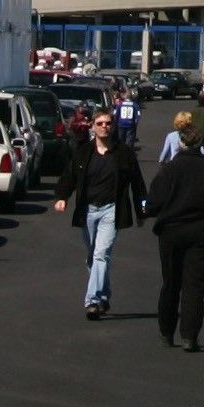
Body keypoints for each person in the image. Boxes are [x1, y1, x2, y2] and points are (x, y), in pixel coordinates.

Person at [53, 112, 148, 319]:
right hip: (88, 211)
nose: (104, 126)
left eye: (108, 123)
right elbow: (69, 176)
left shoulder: (124, 153)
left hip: (111, 210)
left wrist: (142, 210)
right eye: (100, 123)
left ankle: (93, 301)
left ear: (113, 126)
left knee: (101, 254)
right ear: (93, 127)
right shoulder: (83, 152)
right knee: (92, 256)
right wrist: (62, 197)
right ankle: (103, 295)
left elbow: (138, 184)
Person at [147, 129, 204, 350]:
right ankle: (189, 335)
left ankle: (166, 332)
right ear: (200, 144)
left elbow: (153, 203)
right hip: (200, 232)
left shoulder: (169, 170)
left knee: (170, 283)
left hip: (171, 231)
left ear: (180, 143)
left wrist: (149, 210)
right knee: (194, 285)